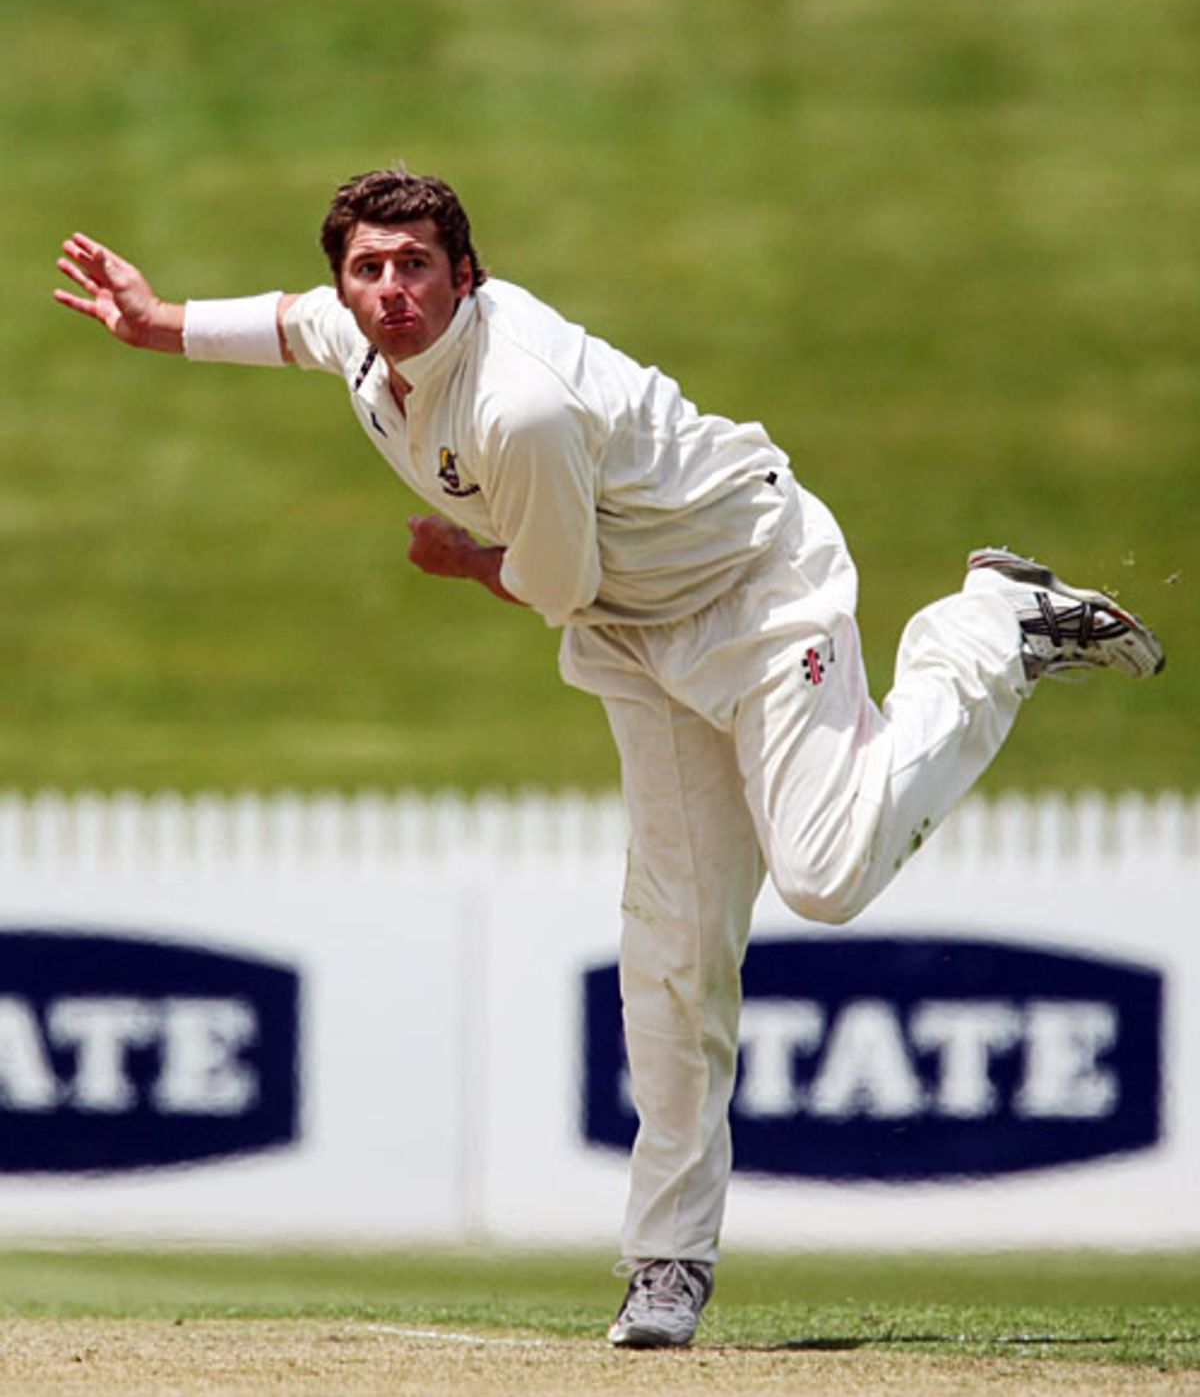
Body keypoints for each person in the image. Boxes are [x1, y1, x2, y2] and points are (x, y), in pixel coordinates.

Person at [55, 165, 1164, 1349]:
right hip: (637, 634)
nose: (391, 290)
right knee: (673, 949)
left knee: (827, 877)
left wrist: (462, 560)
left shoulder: (517, 404)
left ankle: (988, 626)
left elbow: (555, 581)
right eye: (369, 269)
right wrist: (155, 322)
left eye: (417, 265)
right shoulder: (365, 334)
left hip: (753, 593)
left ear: (465, 276)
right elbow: (291, 323)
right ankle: (667, 1261)